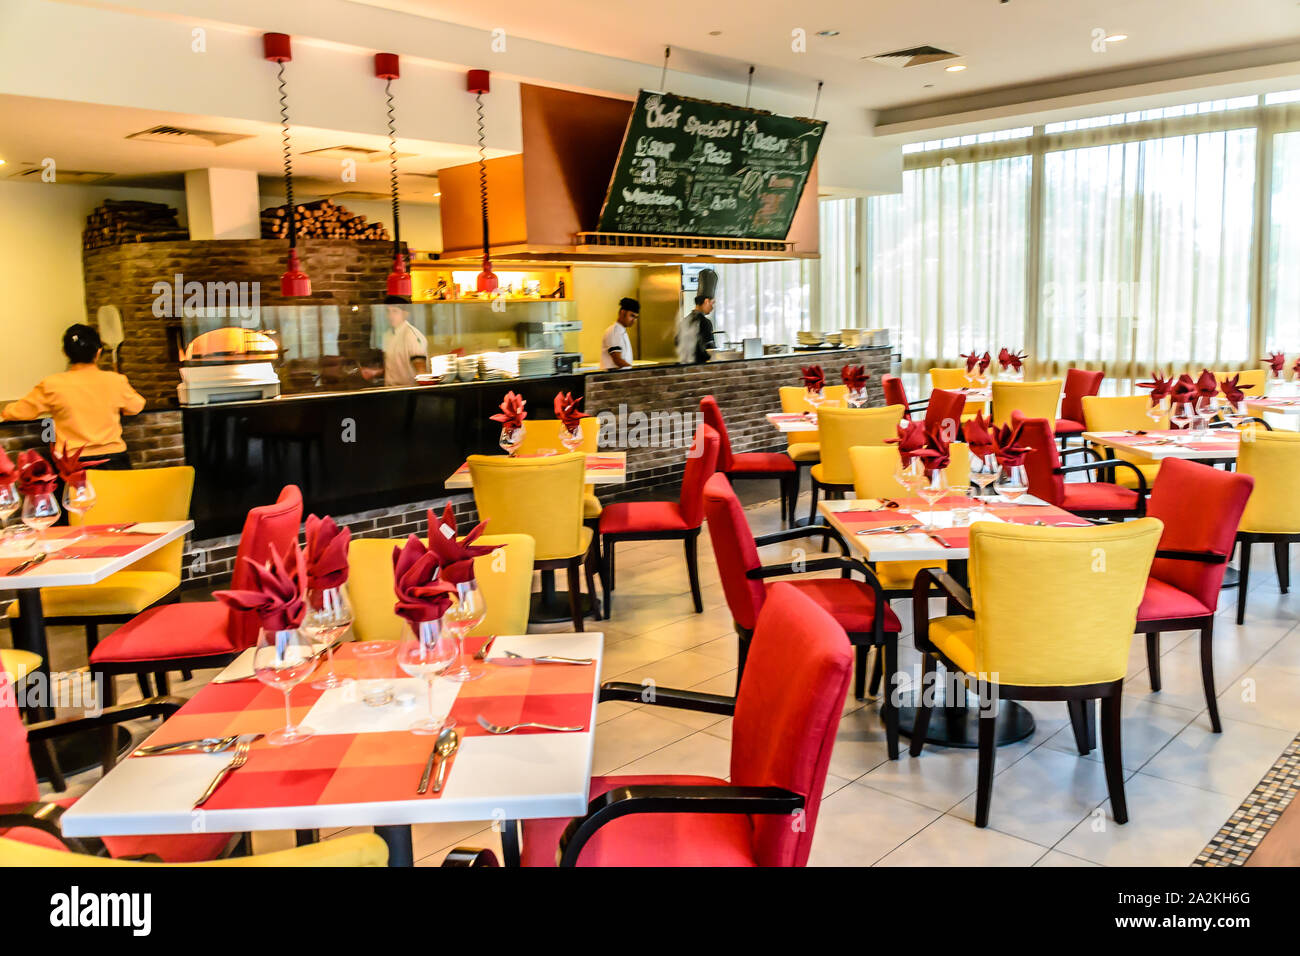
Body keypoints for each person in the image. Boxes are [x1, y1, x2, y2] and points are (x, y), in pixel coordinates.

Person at [2, 324, 144, 469]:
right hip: (115, 461)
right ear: (98, 352)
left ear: (65, 352)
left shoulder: (52, 384)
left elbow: (20, 412)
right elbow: (136, 406)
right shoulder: (116, 380)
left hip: (73, 465)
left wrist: (6, 410)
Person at [380, 297, 428, 386]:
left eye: (395, 311)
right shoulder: (387, 335)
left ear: (405, 314)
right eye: (388, 311)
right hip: (390, 390)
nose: (390, 316)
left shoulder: (412, 335)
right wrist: (376, 372)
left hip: (407, 392)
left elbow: (421, 369)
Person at [599, 297, 639, 370]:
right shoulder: (613, 331)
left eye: (636, 317)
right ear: (622, 313)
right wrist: (635, 372)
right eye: (632, 316)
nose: (634, 320)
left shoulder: (622, 332)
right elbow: (617, 360)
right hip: (612, 377)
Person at [676, 294, 717, 365]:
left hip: (685, 362)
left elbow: (677, 341)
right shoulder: (705, 322)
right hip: (700, 364)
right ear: (706, 302)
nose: (712, 308)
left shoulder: (685, 320)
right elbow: (709, 347)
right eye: (711, 304)